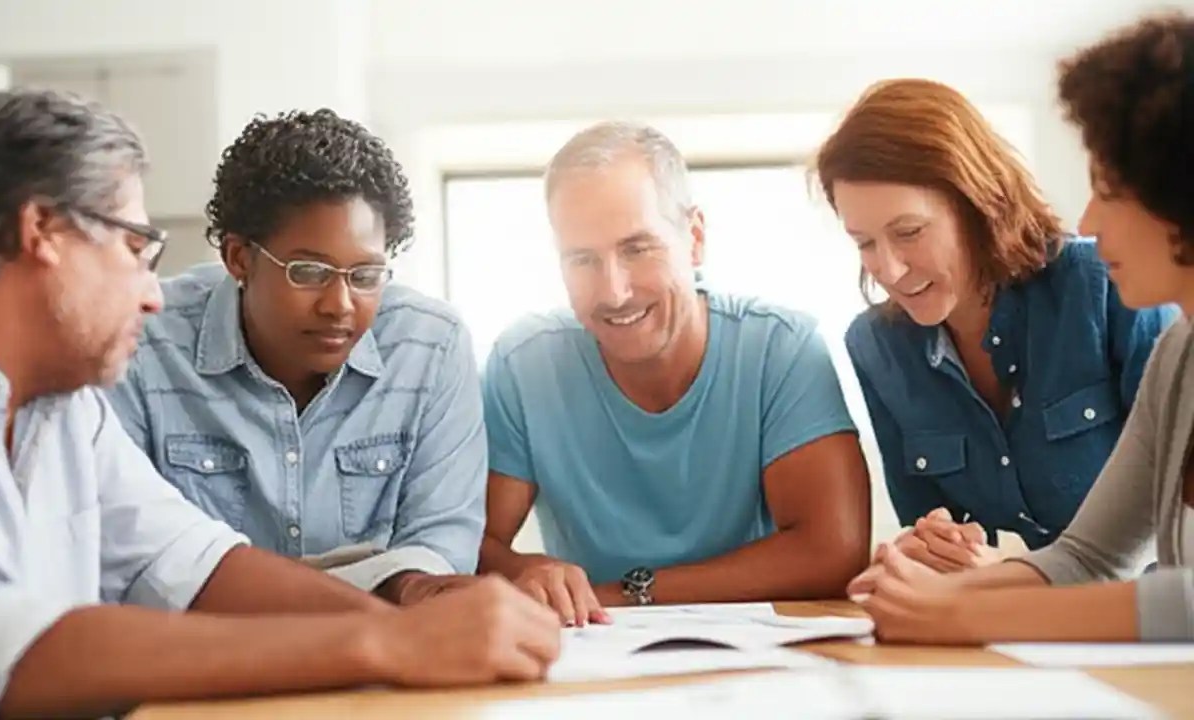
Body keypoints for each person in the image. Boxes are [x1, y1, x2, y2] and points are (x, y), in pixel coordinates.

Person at [0, 89, 559, 720]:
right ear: (44, 232)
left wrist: (421, 632)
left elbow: (194, 562)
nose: (153, 296)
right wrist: (383, 644)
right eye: (136, 250)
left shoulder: (63, 412)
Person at [854, 12, 1194, 644]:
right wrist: (919, 590)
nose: (1087, 222)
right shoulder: (1179, 355)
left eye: (1110, 192)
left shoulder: (1100, 297)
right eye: (865, 242)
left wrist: (961, 612)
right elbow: (1089, 558)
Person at [477, 121, 871, 625]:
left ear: (695, 239)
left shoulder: (780, 348)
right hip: (592, 651)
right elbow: (467, 541)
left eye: (637, 249)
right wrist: (522, 569)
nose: (614, 291)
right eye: (582, 260)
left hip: (753, 650)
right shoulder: (523, 365)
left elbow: (833, 551)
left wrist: (623, 593)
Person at [109, 110, 484, 603]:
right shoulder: (144, 338)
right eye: (309, 272)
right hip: (202, 666)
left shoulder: (431, 345)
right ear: (239, 257)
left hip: (381, 660)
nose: (340, 305)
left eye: (366, 275)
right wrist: (374, 586)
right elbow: (134, 564)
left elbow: (443, 552)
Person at [814, 78, 1177, 578]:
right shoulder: (876, 347)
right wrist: (935, 552)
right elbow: (930, 529)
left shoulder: (1107, 285)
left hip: (1140, 628)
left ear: (979, 205)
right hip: (1008, 629)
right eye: (864, 243)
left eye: (909, 232)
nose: (889, 270)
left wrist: (1017, 575)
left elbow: (1177, 538)